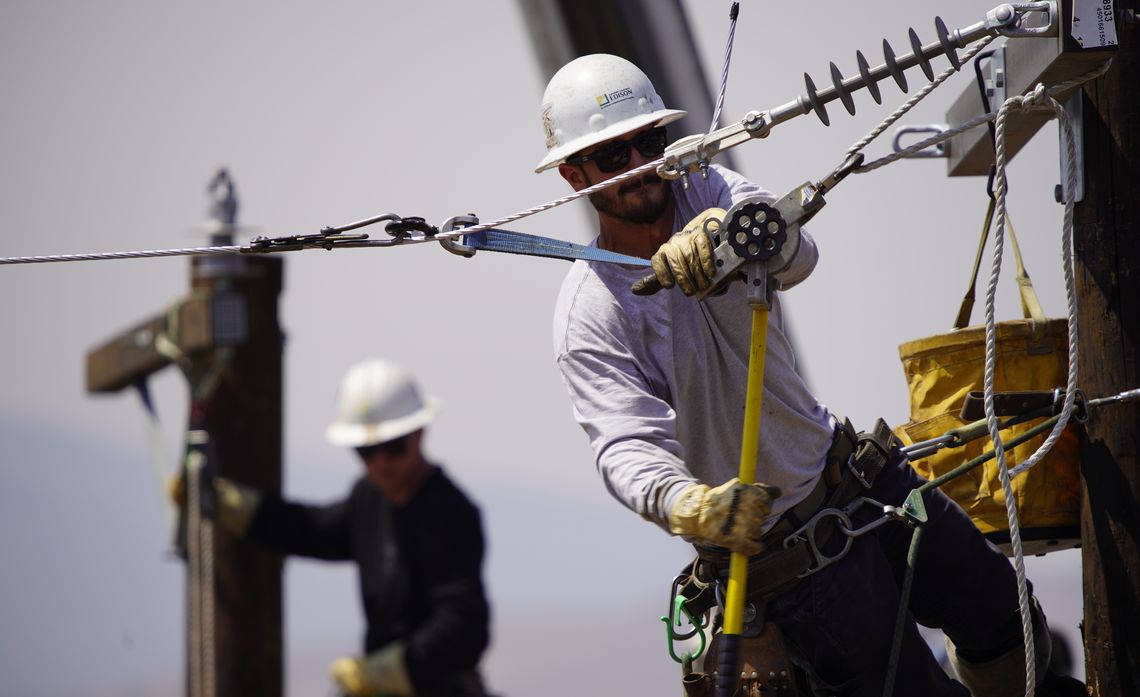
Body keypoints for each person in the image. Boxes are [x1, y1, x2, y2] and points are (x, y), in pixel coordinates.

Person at [539, 53, 1079, 696]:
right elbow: (623, 443)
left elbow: (797, 252)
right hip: (790, 561)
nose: (639, 165)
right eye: (611, 156)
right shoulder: (590, 313)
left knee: (1007, 619)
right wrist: (687, 504)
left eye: (648, 142)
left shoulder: (708, 191)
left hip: (859, 476)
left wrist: (731, 235)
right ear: (575, 174)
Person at [177, 358, 491, 697]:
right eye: (367, 451)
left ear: (420, 434)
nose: (381, 462)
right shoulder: (368, 500)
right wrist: (231, 505)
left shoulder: (450, 512)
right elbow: (312, 529)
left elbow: (465, 624)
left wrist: (388, 671)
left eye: (394, 447)